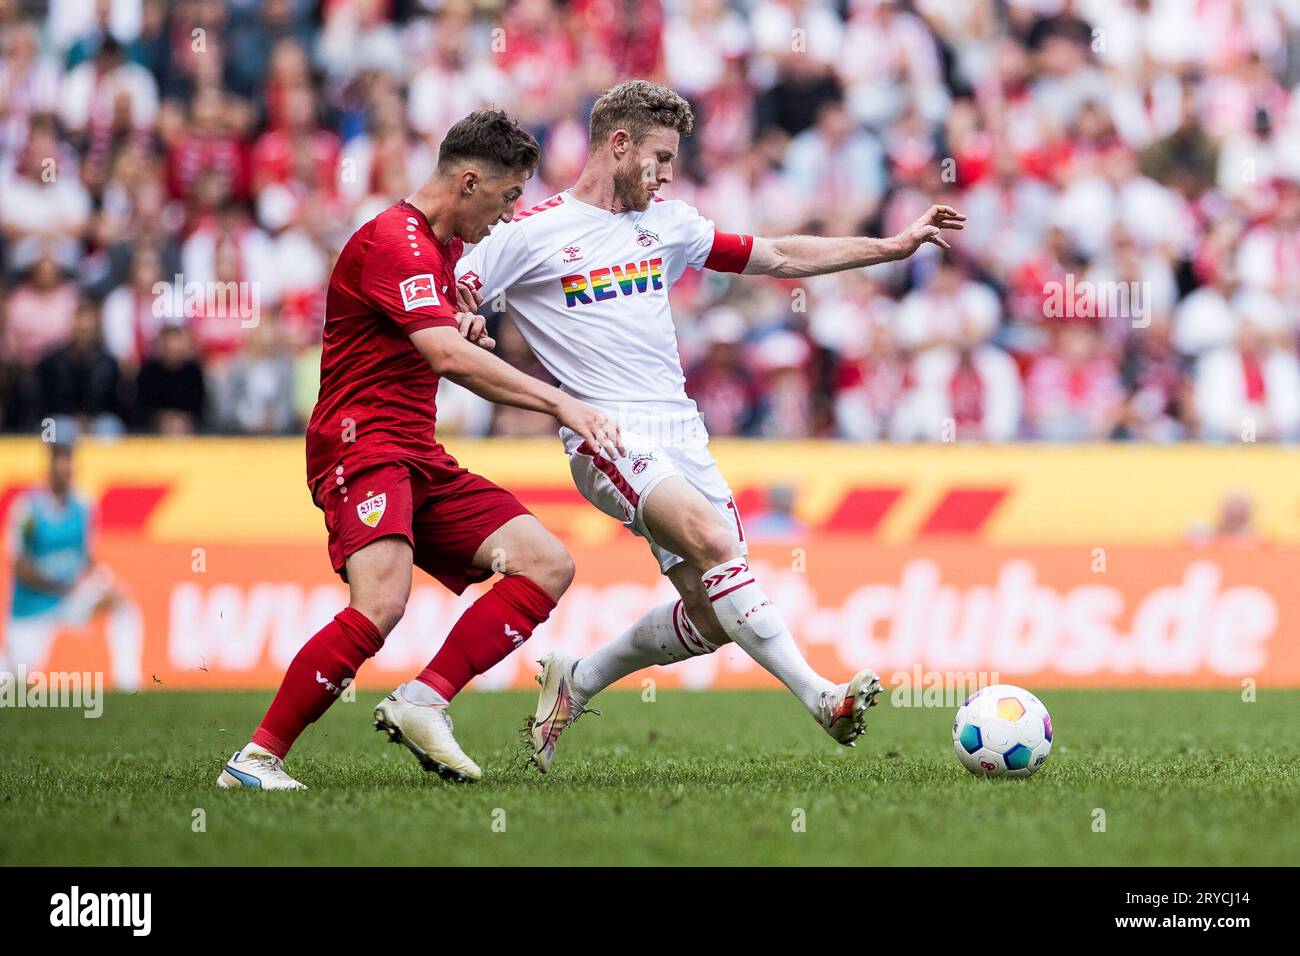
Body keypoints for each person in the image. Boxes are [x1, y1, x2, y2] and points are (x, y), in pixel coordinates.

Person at [455, 81, 964, 772]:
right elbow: (456, 286)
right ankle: (822, 697)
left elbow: (779, 256)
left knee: (714, 614)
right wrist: (465, 316)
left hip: (682, 434)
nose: (666, 174)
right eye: (660, 157)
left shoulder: (669, 223)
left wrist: (890, 246)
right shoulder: (533, 230)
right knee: (715, 539)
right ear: (620, 143)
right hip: (604, 431)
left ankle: (576, 679)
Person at [217, 110, 622, 791]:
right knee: (381, 604)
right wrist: (559, 401)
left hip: (416, 451)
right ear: (467, 182)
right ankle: (256, 760)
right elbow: (441, 354)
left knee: (545, 564)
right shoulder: (395, 241)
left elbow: (431, 331)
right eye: (504, 197)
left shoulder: (441, 252)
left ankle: (423, 699)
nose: (505, 214)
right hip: (362, 445)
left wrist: (458, 318)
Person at [1, 437, 143, 692]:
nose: (65, 476)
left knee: (121, 601)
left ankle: (128, 680)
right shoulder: (28, 511)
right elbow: (20, 568)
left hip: (69, 597)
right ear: (50, 471)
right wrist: (63, 586)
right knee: (15, 677)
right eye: (59, 469)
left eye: (69, 469)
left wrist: (101, 578)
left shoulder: (84, 506)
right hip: (33, 606)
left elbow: (86, 557)